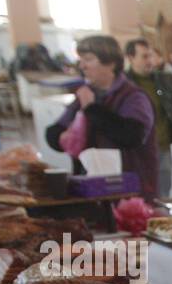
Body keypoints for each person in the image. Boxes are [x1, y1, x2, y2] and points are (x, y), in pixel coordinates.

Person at [46, 35, 158, 200]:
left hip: (128, 192)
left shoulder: (133, 97)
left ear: (111, 63)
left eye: (89, 59)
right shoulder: (85, 94)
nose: (82, 66)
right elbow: (55, 131)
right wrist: (61, 138)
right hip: (90, 188)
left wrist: (92, 109)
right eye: (81, 60)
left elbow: (132, 136)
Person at [125, 38, 172, 199]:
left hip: (162, 148)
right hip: (134, 152)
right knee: (135, 196)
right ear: (130, 58)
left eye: (150, 56)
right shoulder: (123, 85)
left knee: (162, 195)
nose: (150, 61)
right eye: (144, 56)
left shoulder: (165, 80)